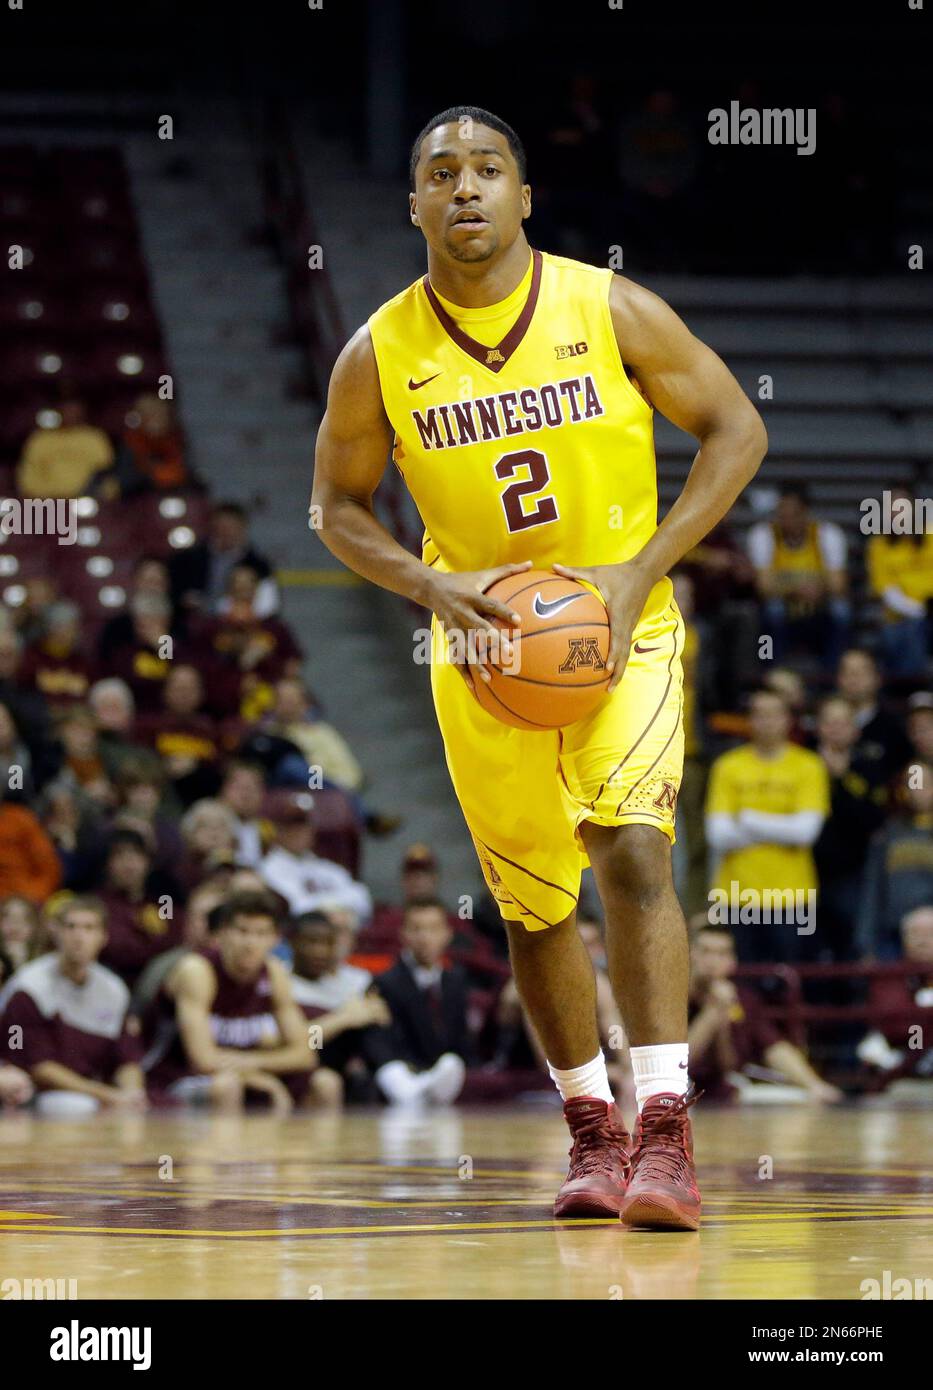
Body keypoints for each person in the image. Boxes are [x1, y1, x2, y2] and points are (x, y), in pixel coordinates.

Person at [311, 104, 768, 1230]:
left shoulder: (608, 306)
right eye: (440, 173)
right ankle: (591, 1134)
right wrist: (428, 587)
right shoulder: (379, 352)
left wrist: (636, 570)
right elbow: (334, 508)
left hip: (623, 628)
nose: (465, 189)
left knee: (632, 848)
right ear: (413, 203)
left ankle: (665, 1128)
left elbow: (736, 429)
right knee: (531, 909)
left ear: (527, 195)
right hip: (480, 651)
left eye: (488, 169)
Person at [140, 890, 335, 1111]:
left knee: (326, 1083)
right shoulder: (197, 971)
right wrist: (259, 1078)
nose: (250, 943)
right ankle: (223, 1147)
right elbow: (202, 1059)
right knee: (227, 1086)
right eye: (242, 931)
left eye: (261, 933)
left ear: (275, 939)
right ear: (222, 934)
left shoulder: (274, 973)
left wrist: (254, 1066)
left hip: (242, 1070)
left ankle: (312, 1147)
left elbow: (306, 1054)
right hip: (175, 1079)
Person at [704, 689, 830, 963]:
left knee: (791, 981)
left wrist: (748, 820)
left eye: (774, 714)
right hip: (736, 895)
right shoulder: (728, 766)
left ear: (788, 720)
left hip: (792, 896)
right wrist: (782, 829)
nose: (767, 722)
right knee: (742, 983)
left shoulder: (809, 765)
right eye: (759, 715)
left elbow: (805, 832)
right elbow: (718, 835)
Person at [0, 896, 146, 1116]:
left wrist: (133, 1092)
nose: (79, 937)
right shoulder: (29, 987)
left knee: (138, 1106)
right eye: (71, 927)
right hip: (33, 1092)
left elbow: (127, 1057)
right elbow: (39, 1067)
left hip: (94, 1089)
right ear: (55, 932)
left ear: (103, 937)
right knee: (76, 1106)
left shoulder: (114, 989)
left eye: (89, 928)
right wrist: (107, 1095)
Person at [289, 910, 443, 1106]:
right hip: (312, 1059)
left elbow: (383, 1021)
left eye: (327, 944)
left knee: (376, 1018)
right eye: (312, 942)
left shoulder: (357, 980)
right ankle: (400, 1081)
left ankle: (405, 1075)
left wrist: (370, 1014)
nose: (320, 951)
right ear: (293, 942)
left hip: (353, 1061)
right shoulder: (282, 982)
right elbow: (297, 1041)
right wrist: (343, 1018)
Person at [688, 924, 842, 1103]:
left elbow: (773, 1047)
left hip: (726, 1091)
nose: (712, 961)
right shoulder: (674, 999)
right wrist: (712, 1013)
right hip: (680, 1093)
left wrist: (814, 1085)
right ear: (690, 954)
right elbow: (680, 1064)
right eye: (705, 951)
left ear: (733, 961)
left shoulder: (744, 999)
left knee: (802, 1099)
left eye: (722, 953)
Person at [812, 695, 889, 960]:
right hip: (804, 870)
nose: (835, 729)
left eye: (842, 723)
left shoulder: (869, 765)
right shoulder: (802, 763)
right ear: (818, 727)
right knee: (810, 948)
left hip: (853, 872)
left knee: (850, 945)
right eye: (828, 722)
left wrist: (842, 778)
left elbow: (873, 820)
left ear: (855, 730)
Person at [375, 899, 470, 1103]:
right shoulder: (384, 982)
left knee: (451, 1064)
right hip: (403, 1070)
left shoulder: (456, 981)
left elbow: (461, 1039)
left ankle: (430, 1088)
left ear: (448, 934)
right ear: (403, 934)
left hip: (444, 1068)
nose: (425, 938)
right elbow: (385, 1042)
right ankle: (419, 1091)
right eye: (416, 929)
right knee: (393, 1074)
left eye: (433, 929)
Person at [747, 483, 850, 670]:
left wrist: (817, 589)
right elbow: (763, 587)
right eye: (781, 514)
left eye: (792, 514)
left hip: (818, 608)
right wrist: (795, 590)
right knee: (772, 610)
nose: (786, 521)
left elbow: (839, 585)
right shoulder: (763, 535)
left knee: (841, 611)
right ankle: (773, 671)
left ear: (805, 513)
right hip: (784, 608)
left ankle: (832, 676)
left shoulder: (827, 534)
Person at [856, 762, 933, 960]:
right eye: (912, 784)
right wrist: (865, 942)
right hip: (891, 935)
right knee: (888, 989)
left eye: (924, 784)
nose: (918, 791)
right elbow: (873, 888)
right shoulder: (888, 834)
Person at [260, 791, 372, 922]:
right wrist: (336, 908)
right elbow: (295, 907)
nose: (298, 832)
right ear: (278, 830)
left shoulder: (326, 867)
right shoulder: (267, 868)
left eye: (304, 825)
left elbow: (362, 898)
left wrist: (327, 908)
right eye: (291, 825)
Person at [98, 828, 184, 986]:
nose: (129, 863)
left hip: (159, 986)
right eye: (120, 855)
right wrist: (151, 939)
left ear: (148, 863)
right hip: (113, 981)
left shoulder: (164, 901)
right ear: (108, 864)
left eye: (136, 855)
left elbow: (174, 939)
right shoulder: (99, 903)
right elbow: (117, 951)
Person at [857, 906, 933, 1084]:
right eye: (916, 934)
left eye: (930, 934)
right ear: (903, 939)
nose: (923, 941)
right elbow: (896, 1025)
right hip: (905, 1053)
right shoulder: (890, 975)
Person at [865, 486, 933, 679]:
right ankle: (912, 684)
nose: (898, 513)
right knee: (907, 631)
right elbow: (888, 593)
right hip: (900, 617)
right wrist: (920, 611)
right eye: (892, 508)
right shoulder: (879, 546)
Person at [169, 501, 278, 618]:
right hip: (195, 621)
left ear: (243, 528)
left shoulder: (257, 564)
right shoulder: (188, 559)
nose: (226, 532)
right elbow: (174, 591)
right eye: (221, 527)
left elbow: (268, 604)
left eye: (231, 527)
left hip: (238, 620)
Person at [835, 648, 912, 784]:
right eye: (847, 671)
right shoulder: (822, 725)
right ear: (838, 679)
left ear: (877, 678)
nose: (853, 678)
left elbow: (912, 771)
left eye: (861, 672)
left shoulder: (894, 727)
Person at [16, 394, 114, 499]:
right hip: (46, 502)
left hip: (86, 502)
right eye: (66, 409)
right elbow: (28, 474)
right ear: (58, 410)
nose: (70, 413)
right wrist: (43, 496)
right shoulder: (40, 439)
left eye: (74, 409)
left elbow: (105, 472)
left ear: (82, 411)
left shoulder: (95, 438)